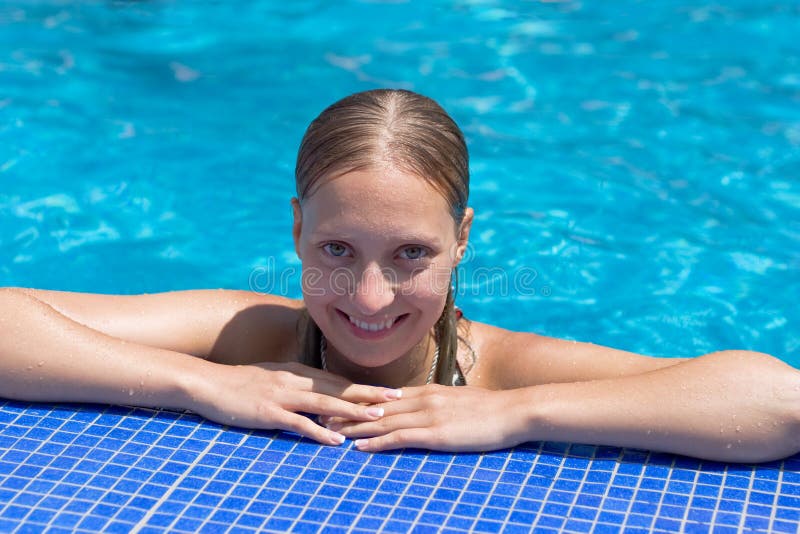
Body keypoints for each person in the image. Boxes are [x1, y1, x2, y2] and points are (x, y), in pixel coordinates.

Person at [1, 89, 798, 463]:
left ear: (461, 242)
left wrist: (519, 415)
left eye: (411, 254)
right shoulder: (250, 334)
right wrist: (199, 383)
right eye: (336, 252)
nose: (371, 298)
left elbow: (778, 403)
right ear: (296, 231)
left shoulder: (498, 372)